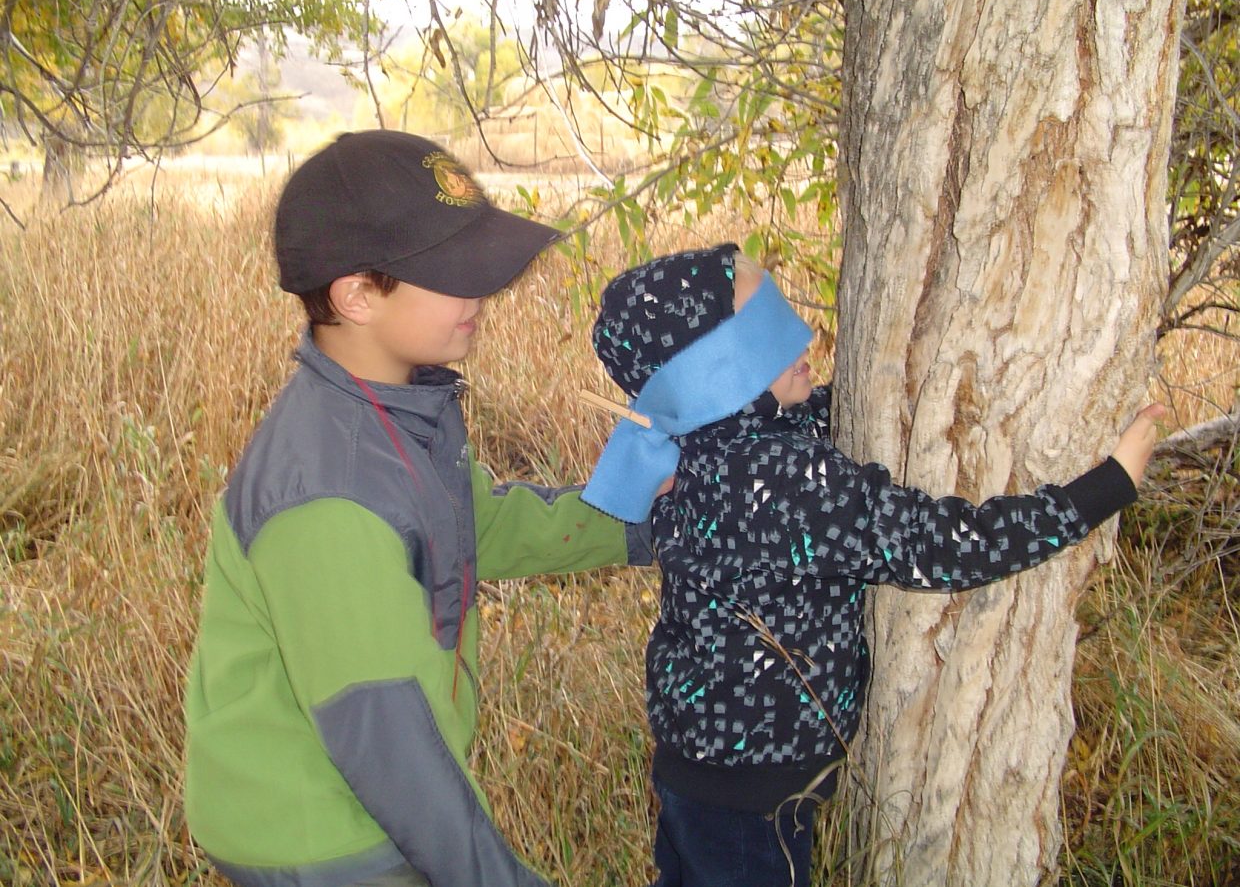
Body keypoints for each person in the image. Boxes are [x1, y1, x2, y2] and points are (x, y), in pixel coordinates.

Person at [580, 242, 1164, 887]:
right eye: (762, 328)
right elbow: (945, 544)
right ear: (712, 373)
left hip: (702, 767)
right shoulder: (784, 480)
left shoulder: (705, 448)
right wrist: (1104, 489)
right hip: (752, 793)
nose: (799, 332)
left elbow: (796, 425)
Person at [183, 129, 653, 887]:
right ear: (357, 294)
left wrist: (643, 523)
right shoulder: (328, 498)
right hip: (322, 837)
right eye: (453, 272)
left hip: (364, 806)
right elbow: (392, 749)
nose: (482, 294)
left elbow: (481, 528)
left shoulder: (396, 407)